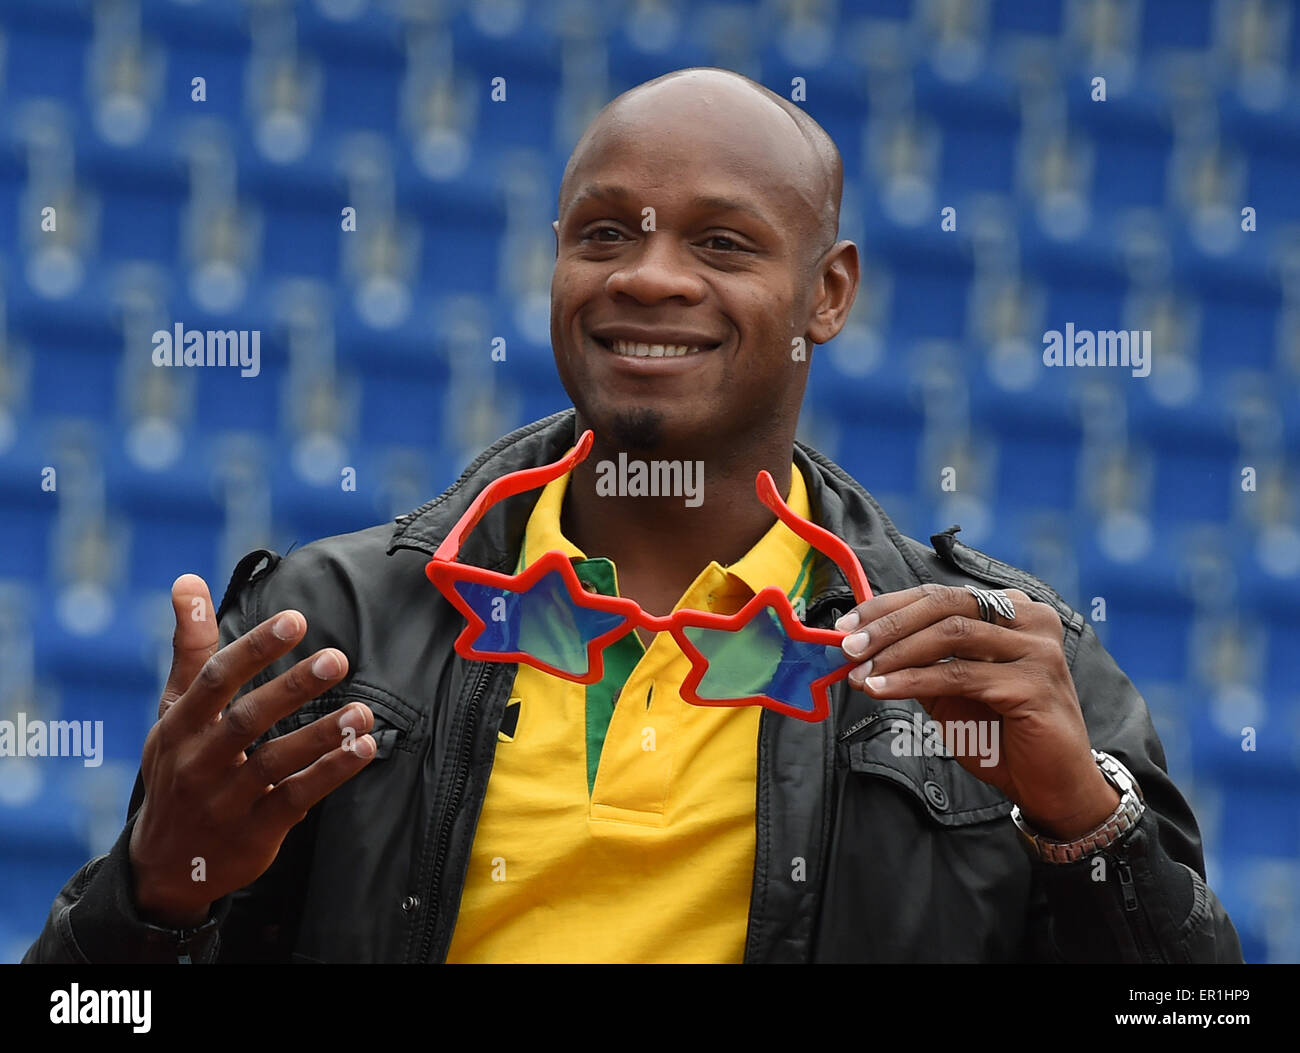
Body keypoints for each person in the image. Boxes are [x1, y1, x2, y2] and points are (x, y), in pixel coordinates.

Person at [25, 68, 1241, 963]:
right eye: (605, 231)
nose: (649, 274)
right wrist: (161, 886)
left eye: (721, 242)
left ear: (829, 292)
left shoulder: (1001, 667)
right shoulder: (328, 629)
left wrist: (1086, 822)